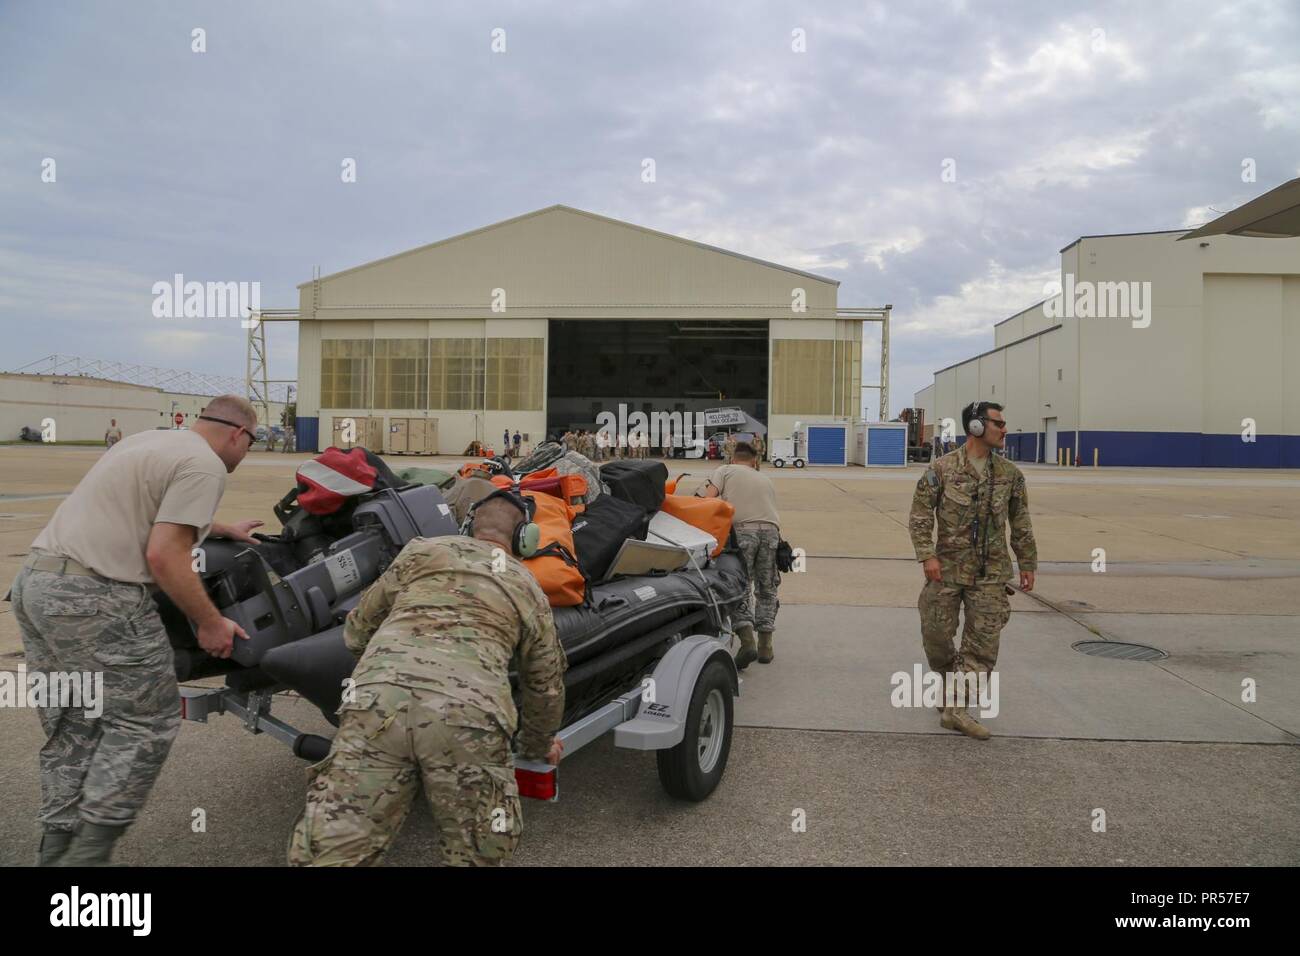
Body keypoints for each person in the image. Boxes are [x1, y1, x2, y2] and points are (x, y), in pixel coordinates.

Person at [8, 395, 264, 866]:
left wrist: (218, 527)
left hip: (36, 585)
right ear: (237, 434)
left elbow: (137, 508)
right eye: (252, 442)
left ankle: (56, 851)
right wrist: (210, 623)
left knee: (75, 724)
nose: (247, 454)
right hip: (96, 597)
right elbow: (164, 555)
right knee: (145, 721)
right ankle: (84, 861)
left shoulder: (150, 441)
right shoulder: (205, 465)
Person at [289, 491, 566, 866]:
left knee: (334, 846)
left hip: (377, 704)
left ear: (466, 526)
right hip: (469, 714)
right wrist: (537, 745)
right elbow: (544, 683)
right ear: (525, 539)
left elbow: (357, 630)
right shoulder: (526, 583)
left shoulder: (422, 551)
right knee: (479, 849)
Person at [909, 401, 1037, 740]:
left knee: (981, 645)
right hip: (946, 569)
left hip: (991, 574)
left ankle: (958, 709)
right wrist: (927, 556)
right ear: (976, 427)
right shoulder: (941, 469)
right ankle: (950, 688)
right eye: (998, 423)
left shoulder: (1010, 475)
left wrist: (1027, 562)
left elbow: (1020, 522)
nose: (1004, 429)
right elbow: (920, 516)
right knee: (935, 634)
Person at [703, 441, 780, 668]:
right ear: (754, 461)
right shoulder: (766, 479)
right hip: (771, 533)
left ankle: (747, 643)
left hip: (742, 533)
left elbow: (709, 499)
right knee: (767, 588)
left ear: (733, 458)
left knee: (740, 586)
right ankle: (766, 646)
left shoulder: (725, 470)